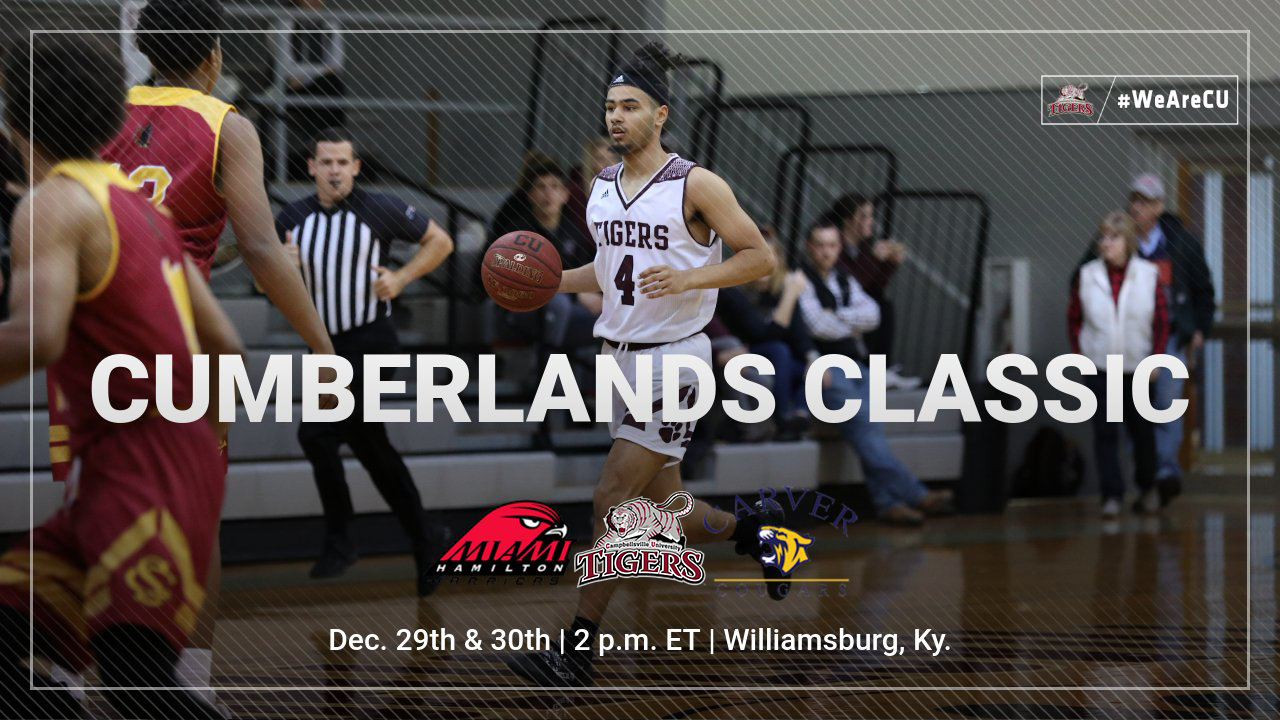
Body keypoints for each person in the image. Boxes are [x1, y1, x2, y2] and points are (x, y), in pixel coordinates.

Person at [506, 42, 783, 688]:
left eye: (630, 106)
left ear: (661, 114)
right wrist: (546, 281)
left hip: (676, 365)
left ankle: (576, 652)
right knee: (668, 506)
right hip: (620, 359)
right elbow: (603, 272)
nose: (617, 118)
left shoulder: (697, 184)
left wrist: (693, 277)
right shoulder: (600, 188)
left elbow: (759, 258)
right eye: (610, 107)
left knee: (611, 499)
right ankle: (762, 537)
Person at [94, 0, 339, 704]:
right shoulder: (227, 125)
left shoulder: (96, 113)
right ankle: (190, 690)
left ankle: (87, 678)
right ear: (214, 56)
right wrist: (323, 347)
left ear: (143, 50)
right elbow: (262, 249)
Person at [0, 36, 242, 719]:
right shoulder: (146, 209)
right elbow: (224, 345)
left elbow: (38, 337)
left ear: (17, 124)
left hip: (138, 474)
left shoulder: (51, 207)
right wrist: (197, 455)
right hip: (164, 463)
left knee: (140, 683)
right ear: (112, 117)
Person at [276, 126, 455, 596]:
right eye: (325, 162)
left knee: (316, 433)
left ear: (355, 167)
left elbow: (440, 241)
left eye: (342, 162)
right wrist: (283, 269)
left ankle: (341, 539)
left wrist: (400, 280)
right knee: (371, 447)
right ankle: (426, 536)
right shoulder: (290, 219)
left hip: (371, 341)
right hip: (323, 347)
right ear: (311, 167)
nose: (334, 170)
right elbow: (266, 287)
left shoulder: (382, 208)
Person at [799, 221, 952, 526]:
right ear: (809, 248)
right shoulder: (799, 281)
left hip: (858, 365)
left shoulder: (844, 279)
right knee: (867, 430)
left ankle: (887, 503)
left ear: (839, 249)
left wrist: (839, 316)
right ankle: (916, 494)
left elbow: (873, 315)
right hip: (826, 368)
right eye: (820, 245)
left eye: (832, 245)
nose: (826, 251)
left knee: (871, 434)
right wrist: (850, 322)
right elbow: (817, 326)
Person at [1068, 212, 1168, 517]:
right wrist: (1080, 355)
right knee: (1105, 435)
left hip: (1139, 368)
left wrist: (1157, 360)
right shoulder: (1087, 275)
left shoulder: (1148, 274)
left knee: (1142, 434)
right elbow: (1074, 319)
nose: (1105, 244)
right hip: (1100, 369)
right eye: (1102, 237)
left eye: (1113, 237)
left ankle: (1147, 488)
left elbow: (1162, 323)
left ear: (1128, 241)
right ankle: (1112, 495)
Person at [1124, 173, 1214, 505]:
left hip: (1172, 340)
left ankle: (1163, 474)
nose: (1137, 208)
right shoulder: (1116, 239)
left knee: (1166, 408)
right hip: (1130, 342)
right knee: (1134, 412)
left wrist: (1200, 327)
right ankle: (1144, 476)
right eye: (1134, 200)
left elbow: (1204, 290)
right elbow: (1085, 279)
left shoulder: (1181, 243)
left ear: (1159, 206)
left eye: (1145, 202)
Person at [493, 157, 602, 352]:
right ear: (530, 195)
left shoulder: (572, 231)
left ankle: (589, 380)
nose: (548, 194)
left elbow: (586, 269)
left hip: (565, 306)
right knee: (558, 305)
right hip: (519, 310)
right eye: (541, 187)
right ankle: (543, 372)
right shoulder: (517, 233)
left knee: (611, 316)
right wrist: (577, 296)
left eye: (554, 187)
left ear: (565, 195)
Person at [716, 235, 814, 441]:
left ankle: (800, 415)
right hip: (745, 353)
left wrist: (813, 357)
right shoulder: (733, 291)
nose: (763, 264)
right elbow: (762, 334)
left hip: (770, 358)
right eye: (756, 257)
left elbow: (799, 333)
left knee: (809, 368)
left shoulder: (780, 290)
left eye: (768, 257)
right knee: (780, 350)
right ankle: (781, 417)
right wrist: (790, 295)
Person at [826, 193, 920, 390]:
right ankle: (873, 372)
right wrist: (874, 259)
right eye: (865, 216)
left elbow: (873, 286)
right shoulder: (833, 244)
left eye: (871, 216)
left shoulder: (861, 247)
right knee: (875, 307)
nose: (871, 222)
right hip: (833, 304)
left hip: (856, 304)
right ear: (848, 220)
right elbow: (849, 285)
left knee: (882, 305)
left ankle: (882, 370)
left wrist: (889, 265)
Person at [277, 0, 346, 180]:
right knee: (328, 88)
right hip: (288, 90)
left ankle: (323, 152)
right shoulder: (284, 22)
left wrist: (306, 76)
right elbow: (285, 68)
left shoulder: (330, 23)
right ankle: (328, 150)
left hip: (314, 87)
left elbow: (336, 65)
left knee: (331, 86)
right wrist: (320, 71)